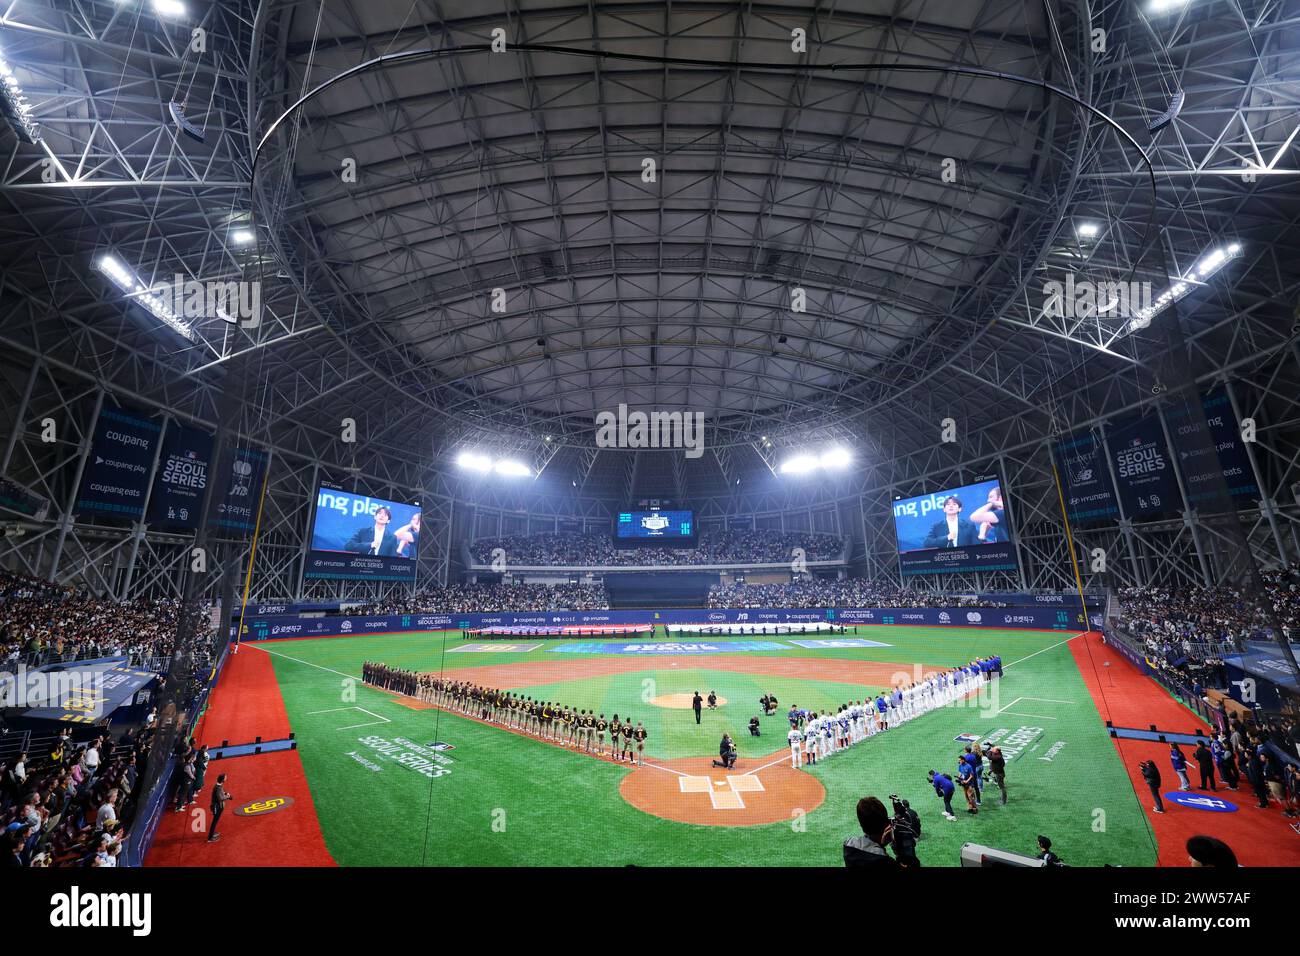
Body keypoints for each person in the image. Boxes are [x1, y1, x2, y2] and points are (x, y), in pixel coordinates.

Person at [842, 796, 900, 868]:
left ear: (861, 825)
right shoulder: (884, 861)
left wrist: (881, 845)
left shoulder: (848, 845)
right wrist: (897, 850)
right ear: (886, 823)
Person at [888, 795, 920, 867]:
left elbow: (894, 846)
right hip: (915, 833)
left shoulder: (898, 828)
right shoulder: (911, 813)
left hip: (909, 838)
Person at [208, 773, 230, 843]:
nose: (226, 778)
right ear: (223, 780)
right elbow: (220, 798)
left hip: (217, 806)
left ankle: (212, 834)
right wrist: (228, 797)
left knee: (215, 821)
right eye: (225, 778)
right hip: (217, 807)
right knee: (214, 822)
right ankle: (210, 837)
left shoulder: (218, 786)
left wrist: (225, 794)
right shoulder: (218, 788)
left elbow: (221, 794)